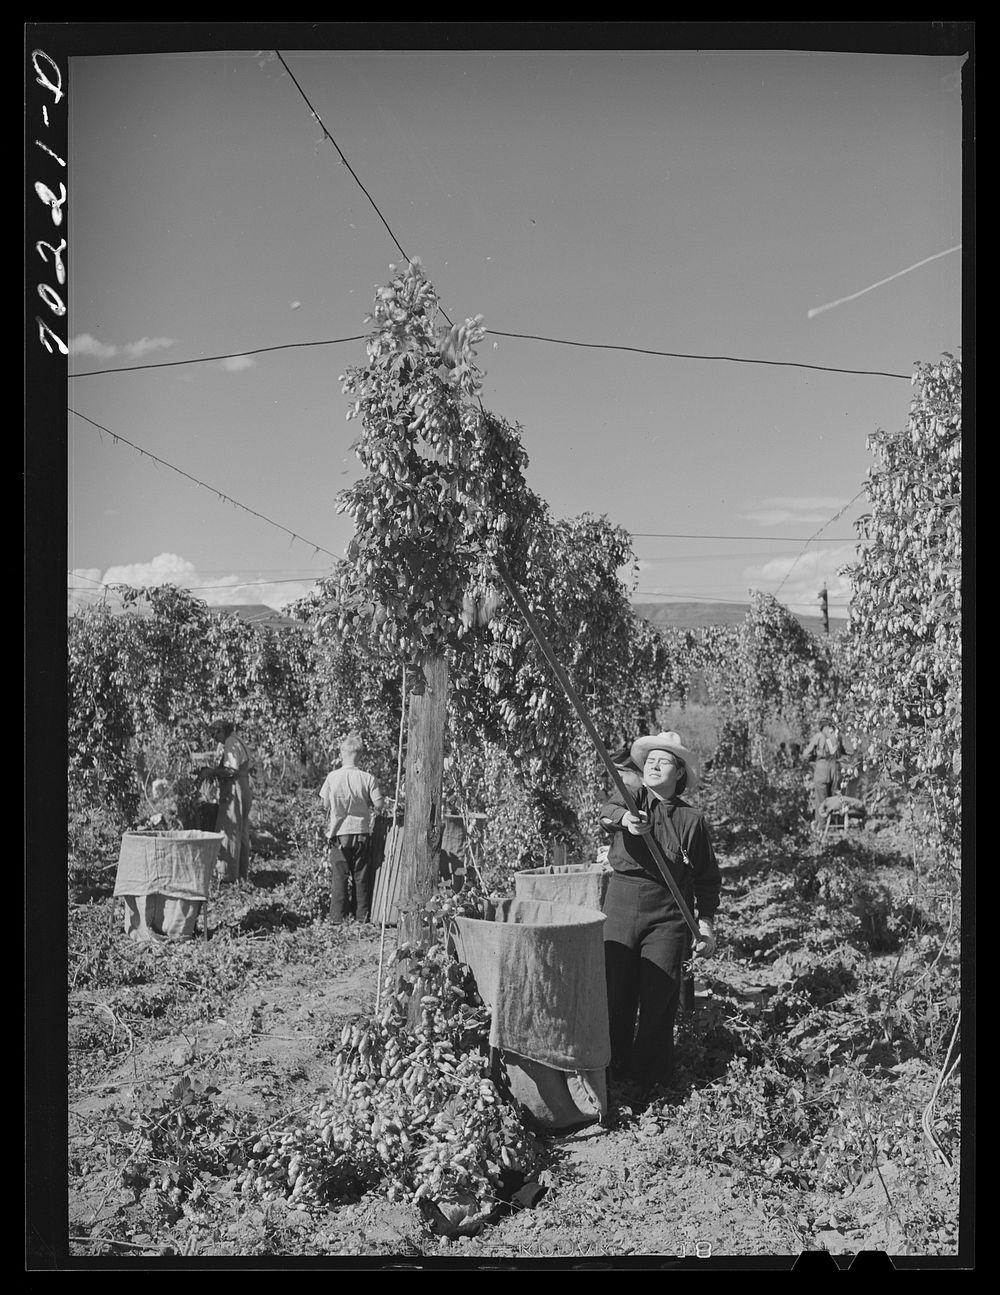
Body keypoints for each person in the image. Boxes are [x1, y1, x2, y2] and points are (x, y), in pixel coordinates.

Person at [599, 731, 721, 1097]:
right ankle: (611, 1073)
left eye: (663, 760)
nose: (653, 764)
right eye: (650, 759)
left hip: (669, 913)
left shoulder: (691, 819)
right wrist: (626, 821)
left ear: (679, 773)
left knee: (658, 998)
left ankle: (647, 1084)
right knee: (616, 994)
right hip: (622, 902)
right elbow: (607, 812)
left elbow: (707, 878)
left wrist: (707, 923)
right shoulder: (633, 796)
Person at [319, 734, 386, 924]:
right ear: (360, 755)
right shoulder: (367, 778)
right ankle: (361, 917)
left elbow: (324, 805)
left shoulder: (332, 777)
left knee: (339, 877)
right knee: (361, 877)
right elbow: (379, 804)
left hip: (339, 834)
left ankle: (337, 918)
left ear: (342, 754)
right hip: (362, 833)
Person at [200, 720, 254, 883]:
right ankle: (241, 874)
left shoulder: (231, 742)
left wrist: (211, 771)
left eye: (216, 733)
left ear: (224, 730)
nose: (215, 737)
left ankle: (227, 876)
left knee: (230, 831)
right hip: (243, 787)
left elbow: (232, 770)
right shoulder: (238, 740)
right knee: (242, 832)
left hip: (235, 790)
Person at [803, 715, 852, 829]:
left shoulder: (819, 736)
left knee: (821, 801)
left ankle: (822, 827)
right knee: (835, 799)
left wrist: (815, 758)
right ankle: (835, 825)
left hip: (821, 771)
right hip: (836, 771)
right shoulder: (837, 736)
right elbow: (850, 750)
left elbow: (806, 754)